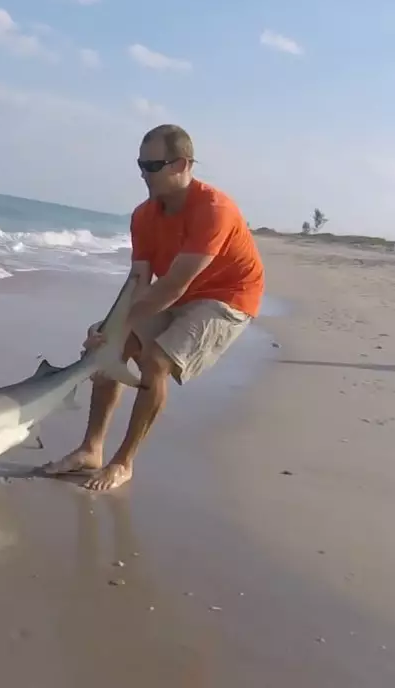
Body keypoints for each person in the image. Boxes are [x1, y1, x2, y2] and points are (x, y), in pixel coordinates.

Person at [40, 124, 264, 490]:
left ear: (183, 164)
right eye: (140, 164)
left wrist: (123, 323)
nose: (144, 174)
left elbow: (175, 285)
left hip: (228, 296)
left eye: (154, 165)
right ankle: (91, 449)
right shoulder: (143, 215)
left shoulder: (213, 209)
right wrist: (109, 329)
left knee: (155, 361)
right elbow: (138, 282)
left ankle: (123, 462)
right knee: (115, 347)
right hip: (182, 292)